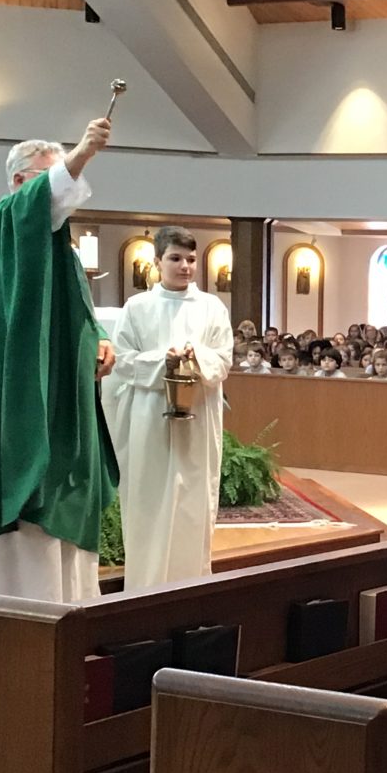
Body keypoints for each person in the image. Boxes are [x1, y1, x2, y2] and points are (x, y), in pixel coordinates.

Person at [0, 122, 119, 623]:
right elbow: (46, 198)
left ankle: (65, 601)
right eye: (48, 177)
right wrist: (83, 152)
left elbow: (75, 307)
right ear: (20, 183)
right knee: (29, 478)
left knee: (67, 481)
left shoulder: (53, 239)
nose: (63, 188)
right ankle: (18, 608)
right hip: (23, 386)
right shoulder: (5, 221)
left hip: (65, 383)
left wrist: (98, 340)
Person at [101, 227, 232, 594]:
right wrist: (165, 360)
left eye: (191, 259)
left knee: (193, 501)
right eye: (175, 258)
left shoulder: (212, 307)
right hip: (149, 417)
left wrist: (195, 357)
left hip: (198, 420)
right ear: (157, 262)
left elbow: (222, 361)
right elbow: (122, 363)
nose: (185, 266)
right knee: (149, 499)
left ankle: (190, 588)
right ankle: (145, 587)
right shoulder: (137, 308)